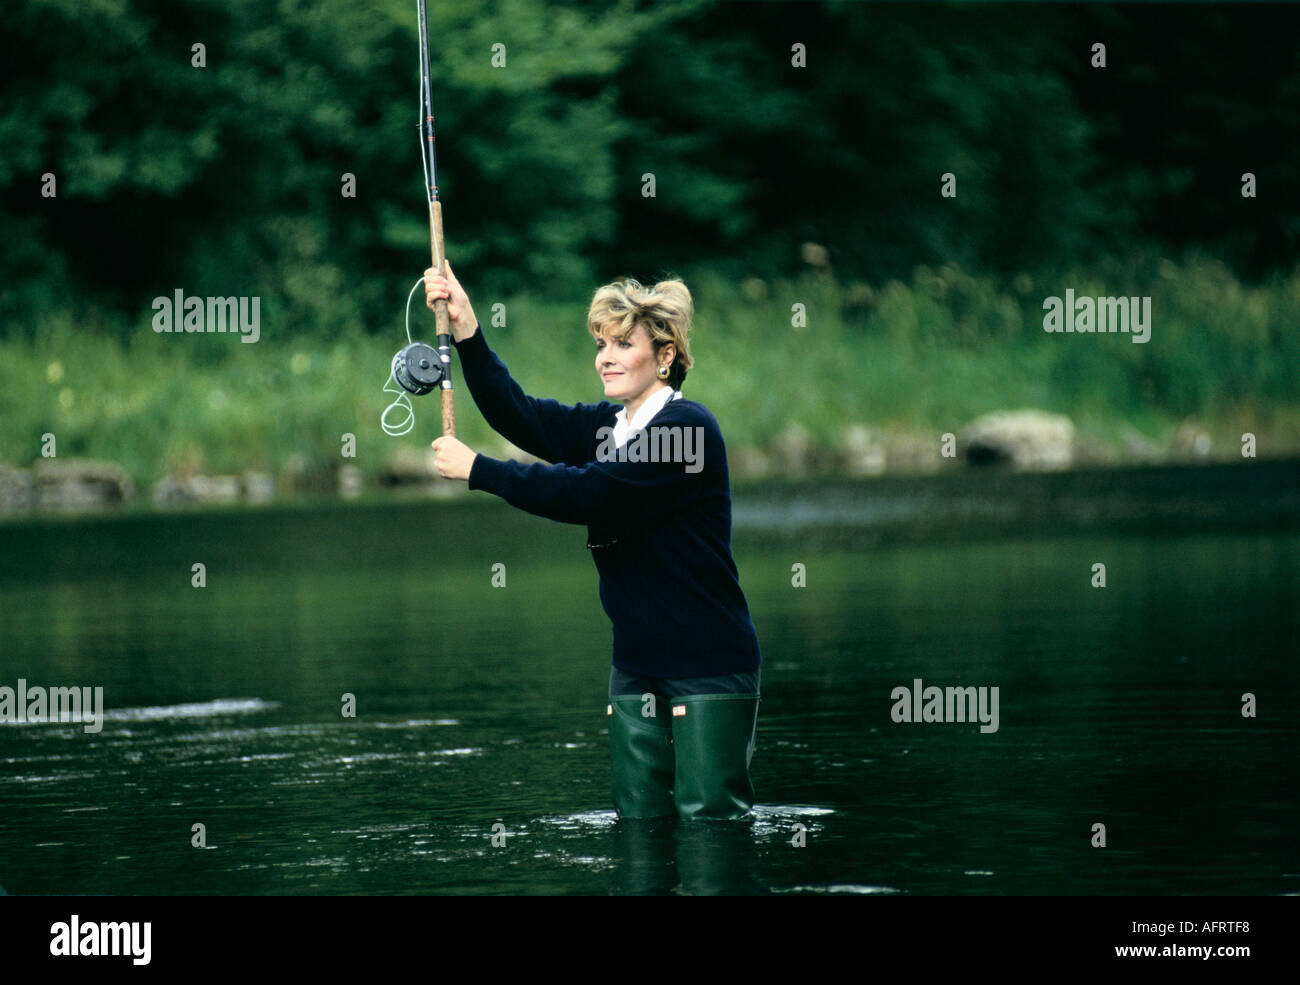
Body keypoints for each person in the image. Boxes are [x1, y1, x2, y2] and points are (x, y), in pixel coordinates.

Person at [424, 262, 761, 821]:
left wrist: (481, 470)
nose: (604, 355)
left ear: (666, 356)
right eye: (601, 343)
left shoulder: (687, 431)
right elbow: (519, 414)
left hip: (709, 665)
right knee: (638, 828)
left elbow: (593, 494)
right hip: (634, 664)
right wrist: (467, 329)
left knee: (710, 832)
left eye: (623, 343)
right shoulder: (606, 428)